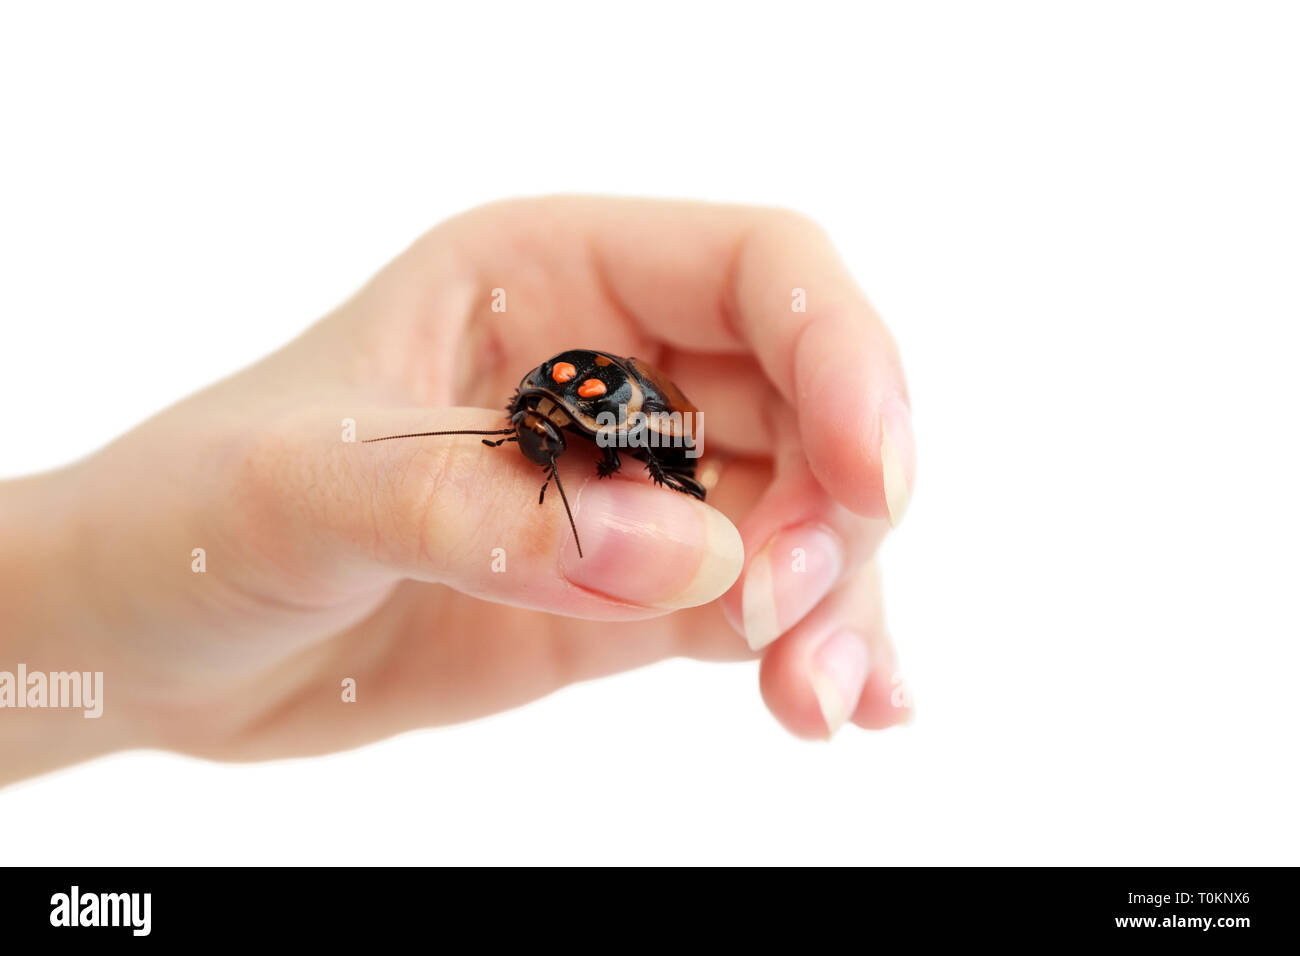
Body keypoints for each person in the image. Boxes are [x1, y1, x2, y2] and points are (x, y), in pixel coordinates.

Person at [0, 197, 916, 786]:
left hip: (650, 424)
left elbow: (627, 439)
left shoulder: (590, 414)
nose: (530, 451)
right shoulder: (538, 401)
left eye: (541, 440)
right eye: (533, 436)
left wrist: (81, 626)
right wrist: (82, 618)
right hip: (624, 412)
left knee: (656, 456)